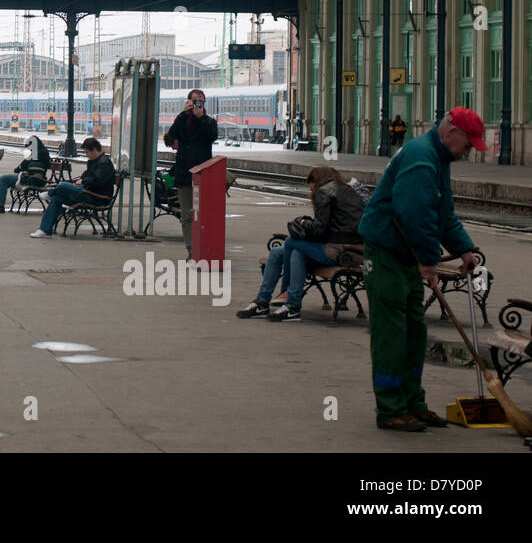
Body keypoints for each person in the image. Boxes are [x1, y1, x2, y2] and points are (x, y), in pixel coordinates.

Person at [357, 106, 480, 433]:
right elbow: (414, 214)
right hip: (386, 256)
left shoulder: (438, 159)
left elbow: (442, 213)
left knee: (414, 332)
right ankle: (391, 408)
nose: (469, 150)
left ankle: (414, 402)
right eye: (469, 142)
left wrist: (464, 249)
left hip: (405, 256)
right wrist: (428, 259)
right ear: (451, 131)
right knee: (391, 335)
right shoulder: (421, 158)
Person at [236, 166, 365, 321]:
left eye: (311, 186)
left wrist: (304, 224)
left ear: (316, 182)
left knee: (292, 242)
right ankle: (263, 301)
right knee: (279, 253)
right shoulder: (347, 190)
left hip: (338, 251)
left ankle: (290, 299)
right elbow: (333, 226)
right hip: (348, 248)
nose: (311, 190)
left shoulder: (324, 191)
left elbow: (320, 230)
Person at [163, 88, 218, 256]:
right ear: (188, 102)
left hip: (203, 175)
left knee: (202, 214)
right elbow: (171, 135)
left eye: (200, 101)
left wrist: (200, 117)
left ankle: (203, 247)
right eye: (194, 101)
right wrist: (182, 114)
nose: (197, 104)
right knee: (187, 214)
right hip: (184, 174)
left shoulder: (208, 122)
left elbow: (212, 136)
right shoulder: (182, 121)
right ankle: (191, 249)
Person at [29, 138, 115, 238]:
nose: (86, 155)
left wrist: (83, 181)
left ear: (95, 149)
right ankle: (44, 230)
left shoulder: (104, 163)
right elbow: (87, 176)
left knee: (63, 185)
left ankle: (49, 193)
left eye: (87, 152)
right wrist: (80, 181)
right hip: (86, 192)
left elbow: (98, 181)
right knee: (57, 198)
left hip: (96, 197)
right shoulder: (94, 161)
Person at [0, 135, 50, 213]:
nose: (30, 149)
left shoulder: (38, 153)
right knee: (2, 183)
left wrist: (20, 168)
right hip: (29, 177)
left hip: (30, 179)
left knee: (3, 179)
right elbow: (24, 165)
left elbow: (22, 165)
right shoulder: (41, 152)